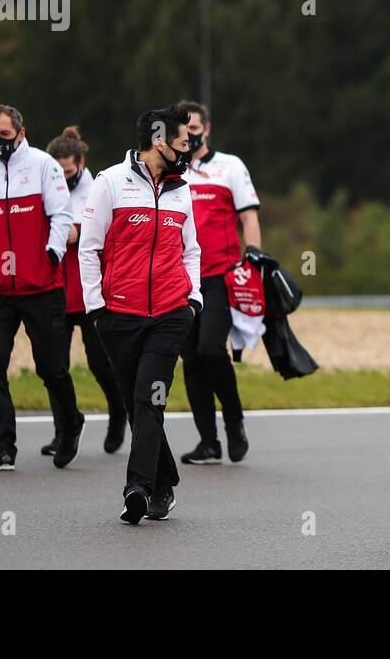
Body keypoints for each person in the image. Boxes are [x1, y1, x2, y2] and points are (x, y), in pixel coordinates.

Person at [80, 107, 202, 525]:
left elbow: (191, 250)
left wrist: (194, 299)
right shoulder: (110, 182)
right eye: (184, 142)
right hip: (119, 315)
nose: (190, 149)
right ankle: (165, 483)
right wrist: (97, 307)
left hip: (171, 313)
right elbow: (88, 248)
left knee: (151, 397)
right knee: (139, 405)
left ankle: (138, 487)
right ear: (158, 141)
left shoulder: (183, 189)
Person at [0, 105, 84, 472]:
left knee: (51, 369)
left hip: (41, 287)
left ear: (20, 132)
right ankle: (3, 447)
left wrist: (49, 258)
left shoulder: (43, 165)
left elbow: (62, 215)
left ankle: (71, 424)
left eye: (3, 135)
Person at [172, 100, 261, 466]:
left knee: (211, 350)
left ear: (206, 129)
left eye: (194, 130)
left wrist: (254, 262)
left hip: (220, 276)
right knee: (191, 358)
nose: (189, 137)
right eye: (182, 131)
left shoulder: (230, 167)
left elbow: (249, 217)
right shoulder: (169, 172)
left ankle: (234, 422)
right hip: (180, 280)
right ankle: (208, 443)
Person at [39, 126, 126, 457]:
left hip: (91, 291)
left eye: (69, 172)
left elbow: (116, 235)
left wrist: (80, 234)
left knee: (100, 364)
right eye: (57, 172)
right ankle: (63, 430)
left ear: (82, 162)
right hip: (55, 291)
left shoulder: (99, 189)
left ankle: (118, 413)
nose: (64, 178)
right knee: (54, 365)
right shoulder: (45, 189)